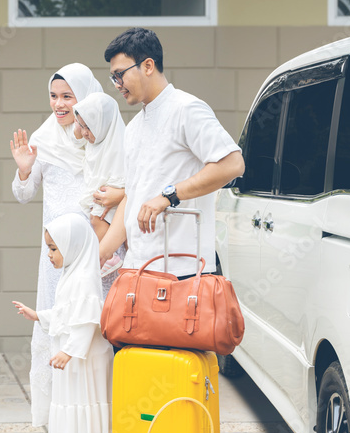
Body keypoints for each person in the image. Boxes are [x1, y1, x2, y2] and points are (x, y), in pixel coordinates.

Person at [97, 28, 245, 279]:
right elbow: (132, 198)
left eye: (120, 75)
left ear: (147, 66)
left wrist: (168, 195)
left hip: (183, 270)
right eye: (113, 78)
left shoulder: (186, 108)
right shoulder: (133, 128)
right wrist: (98, 255)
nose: (117, 85)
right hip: (139, 267)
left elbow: (232, 164)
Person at [9, 63, 102, 433]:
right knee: (56, 322)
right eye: (53, 96)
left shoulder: (99, 135)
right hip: (54, 254)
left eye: (68, 96)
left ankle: (96, 427)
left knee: (89, 326)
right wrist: (24, 170)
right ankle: (61, 424)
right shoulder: (43, 138)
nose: (59, 104)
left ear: (85, 98)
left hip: (96, 247)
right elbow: (23, 195)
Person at [12, 213, 113, 433]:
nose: (49, 255)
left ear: (74, 247)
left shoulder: (84, 280)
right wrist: (39, 315)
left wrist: (69, 351)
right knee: (80, 407)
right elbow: (66, 312)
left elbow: (86, 321)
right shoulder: (74, 276)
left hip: (82, 360)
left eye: (54, 248)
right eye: (49, 248)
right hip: (77, 360)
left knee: (83, 407)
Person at [72, 91, 126, 276]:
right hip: (102, 195)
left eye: (89, 127)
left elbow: (125, 176)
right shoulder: (95, 142)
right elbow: (76, 139)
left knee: (96, 218)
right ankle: (105, 255)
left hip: (113, 194)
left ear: (102, 124)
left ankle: (107, 257)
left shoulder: (119, 143)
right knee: (94, 218)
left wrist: (116, 193)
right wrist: (79, 128)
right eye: (82, 127)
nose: (85, 132)